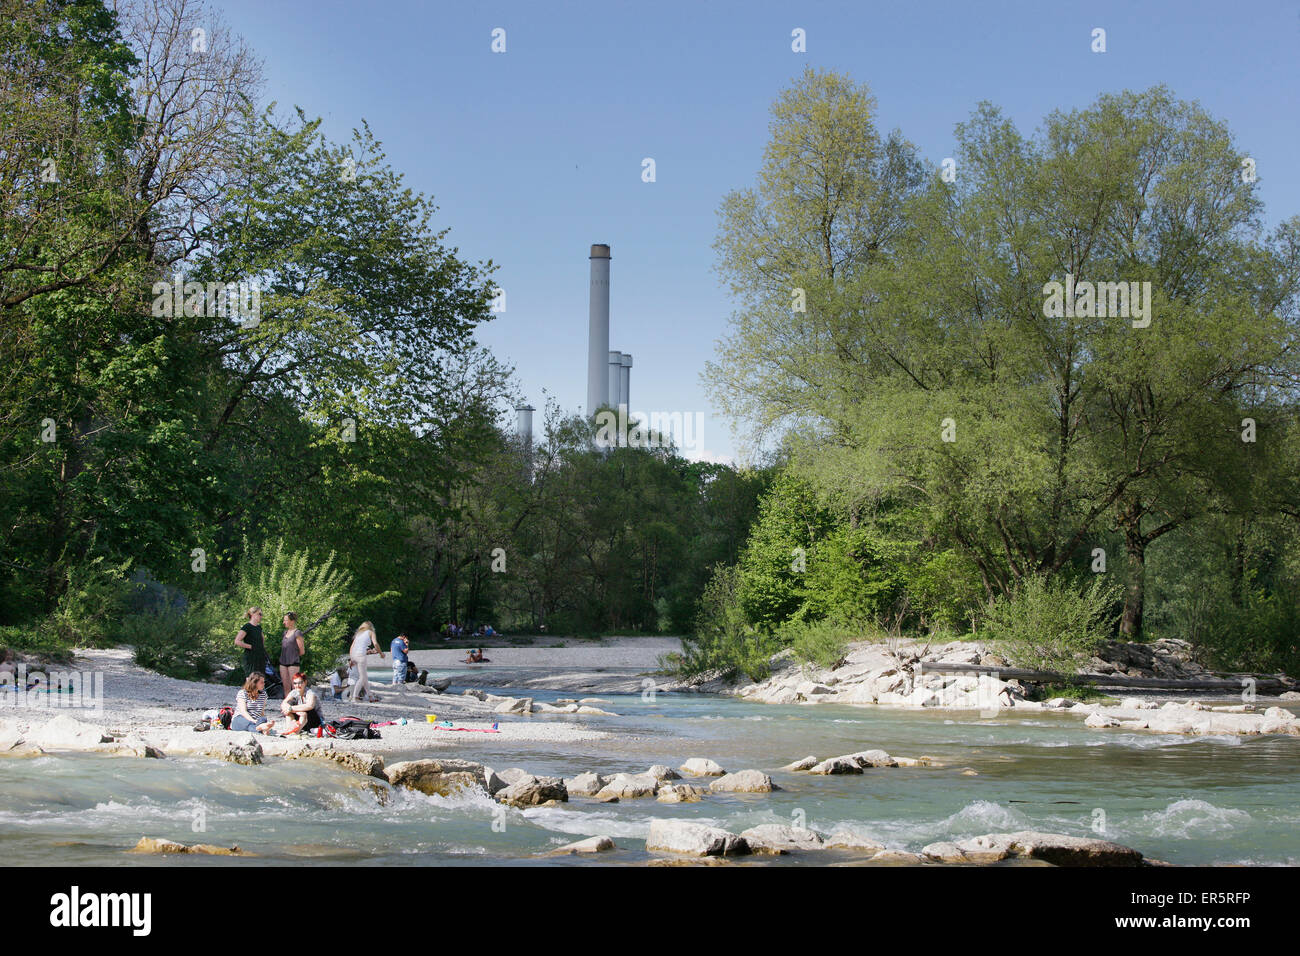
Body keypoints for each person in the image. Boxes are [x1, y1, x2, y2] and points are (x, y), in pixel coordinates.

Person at [348, 621, 383, 702]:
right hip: (361, 656)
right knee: (362, 677)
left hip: (354, 655)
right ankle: (354, 697)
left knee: (364, 677)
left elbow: (352, 647)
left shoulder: (358, 634)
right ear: (371, 626)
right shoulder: (371, 632)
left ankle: (371, 696)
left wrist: (351, 658)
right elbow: (375, 644)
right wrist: (381, 653)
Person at [234, 607, 267, 678]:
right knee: (251, 680)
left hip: (260, 657)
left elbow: (262, 640)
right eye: (259, 614)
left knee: (261, 679)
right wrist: (251, 646)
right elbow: (237, 641)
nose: (261, 616)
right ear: (252, 614)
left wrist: (262, 648)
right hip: (250, 657)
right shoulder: (247, 627)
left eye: (261, 614)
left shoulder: (259, 627)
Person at [279, 612, 304, 701]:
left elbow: (302, 651)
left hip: (293, 662)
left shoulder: (297, 633)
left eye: (286, 620)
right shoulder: (285, 633)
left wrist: (293, 656)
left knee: (295, 686)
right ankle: (287, 704)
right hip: (283, 662)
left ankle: (297, 704)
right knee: (286, 687)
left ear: (292, 621)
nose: (284, 622)